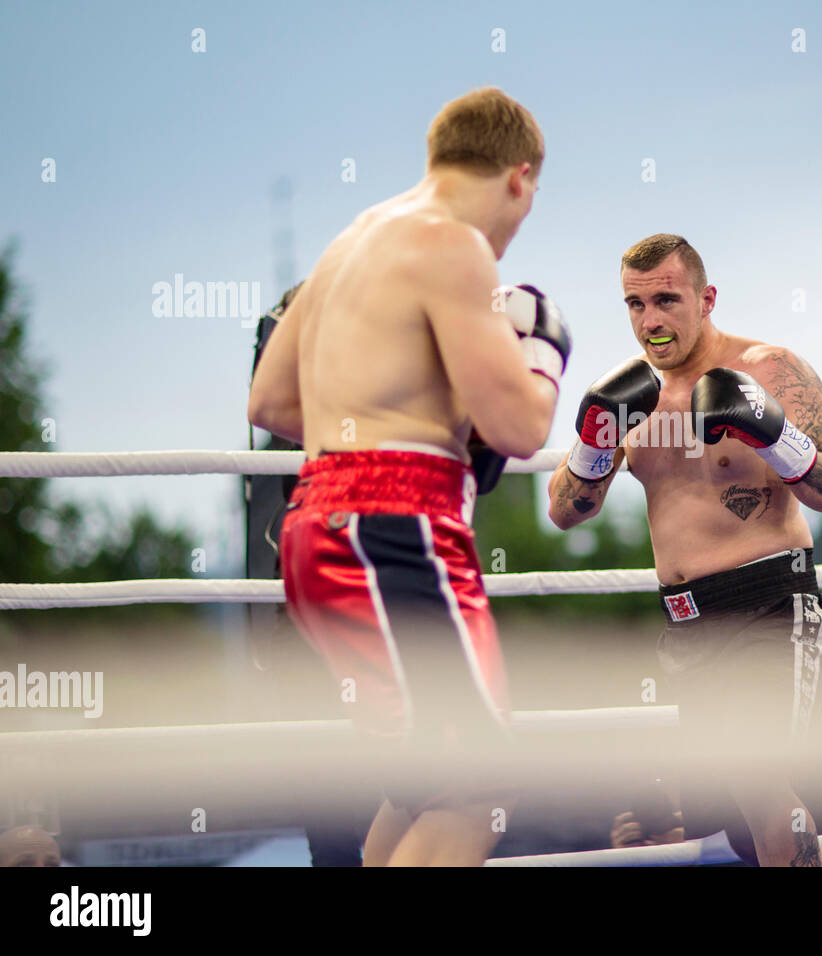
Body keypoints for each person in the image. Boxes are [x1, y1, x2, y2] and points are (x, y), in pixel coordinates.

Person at [248, 87, 570, 866]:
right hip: (394, 529)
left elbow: (270, 400)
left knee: (424, 784)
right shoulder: (452, 245)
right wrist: (544, 350)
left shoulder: (350, 241)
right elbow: (521, 429)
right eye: (522, 209)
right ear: (519, 178)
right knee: (481, 785)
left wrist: (405, 416)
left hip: (320, 529)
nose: (509, 235)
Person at [548, 234, 822, 866]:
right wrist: (593, 437)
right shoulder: (630, 397)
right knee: (745, 827)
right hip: (687, 628)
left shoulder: (770, 370)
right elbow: (565, 511)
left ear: (706, 298)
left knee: (760, 782)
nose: (651, 321)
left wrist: (772, 433)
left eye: (666, 299)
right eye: (636, 306)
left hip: (772, 609)